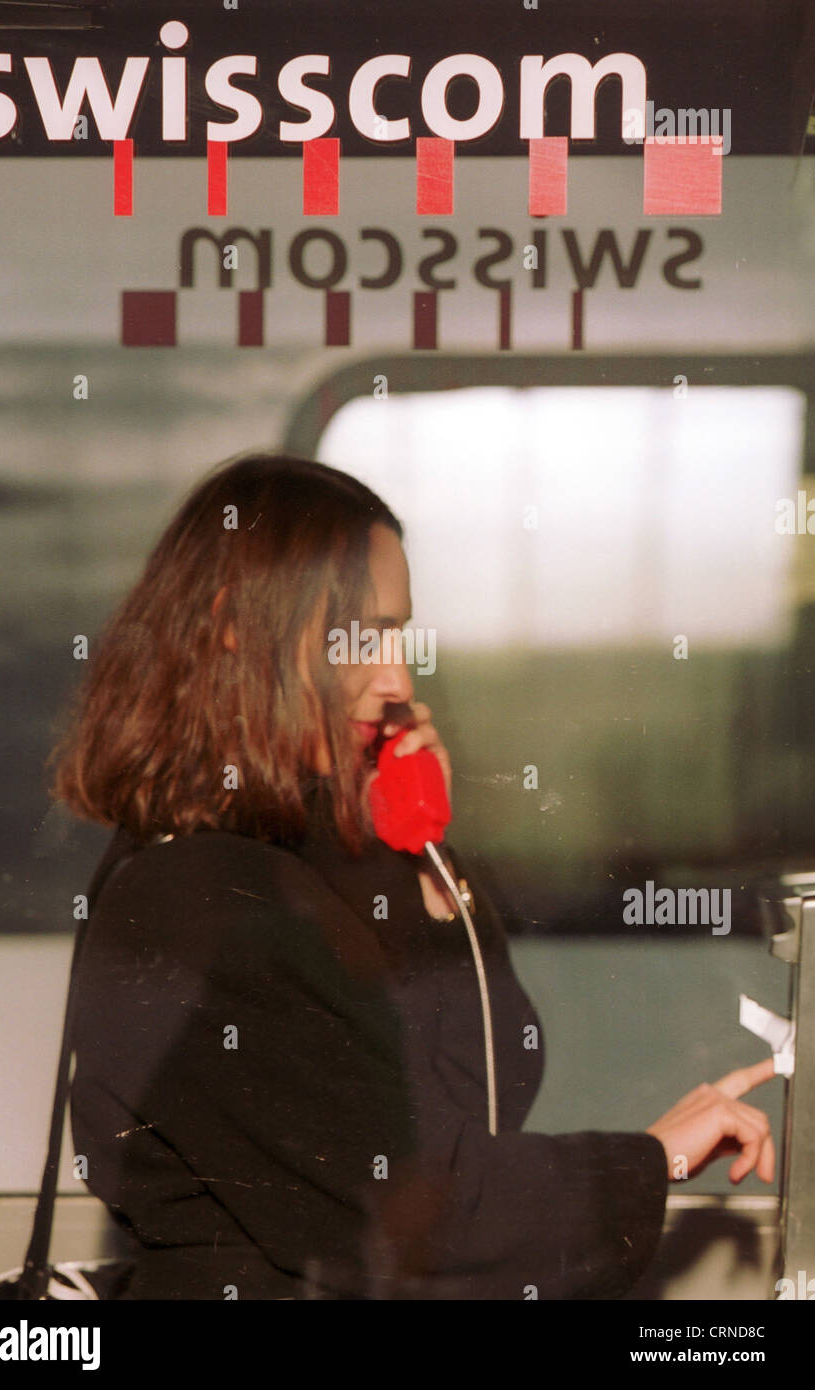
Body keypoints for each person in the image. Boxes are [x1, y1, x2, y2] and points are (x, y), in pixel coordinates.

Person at [49, 452, 777, 1300]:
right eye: (360, 637)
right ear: (234, 628)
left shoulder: (282, 868)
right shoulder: (193, 900)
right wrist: (652, 1159)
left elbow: (479, 1098)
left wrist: (420, 865)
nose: (395, 679)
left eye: (398, 635)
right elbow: (424, 1214)